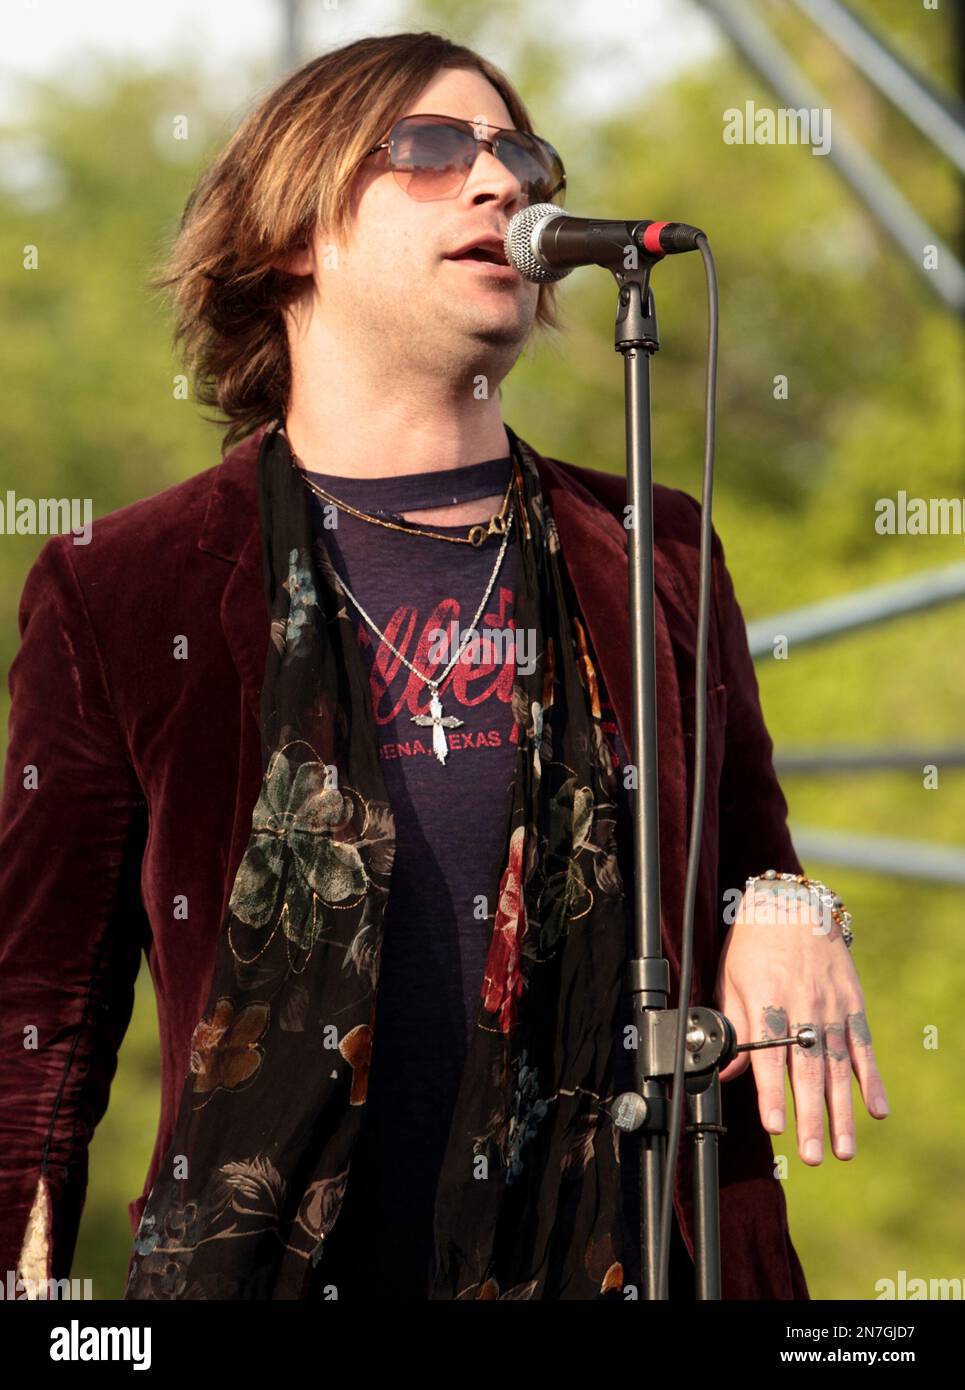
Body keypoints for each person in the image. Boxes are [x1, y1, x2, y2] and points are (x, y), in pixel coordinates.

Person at [0, 31, 888, 1302]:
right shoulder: (124, 586)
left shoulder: (654, 547)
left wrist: (782, 905)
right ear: (290, 235)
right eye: (428, 151)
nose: (500, 185)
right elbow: (37, 1017)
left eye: (518, 155)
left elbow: (749, 852)